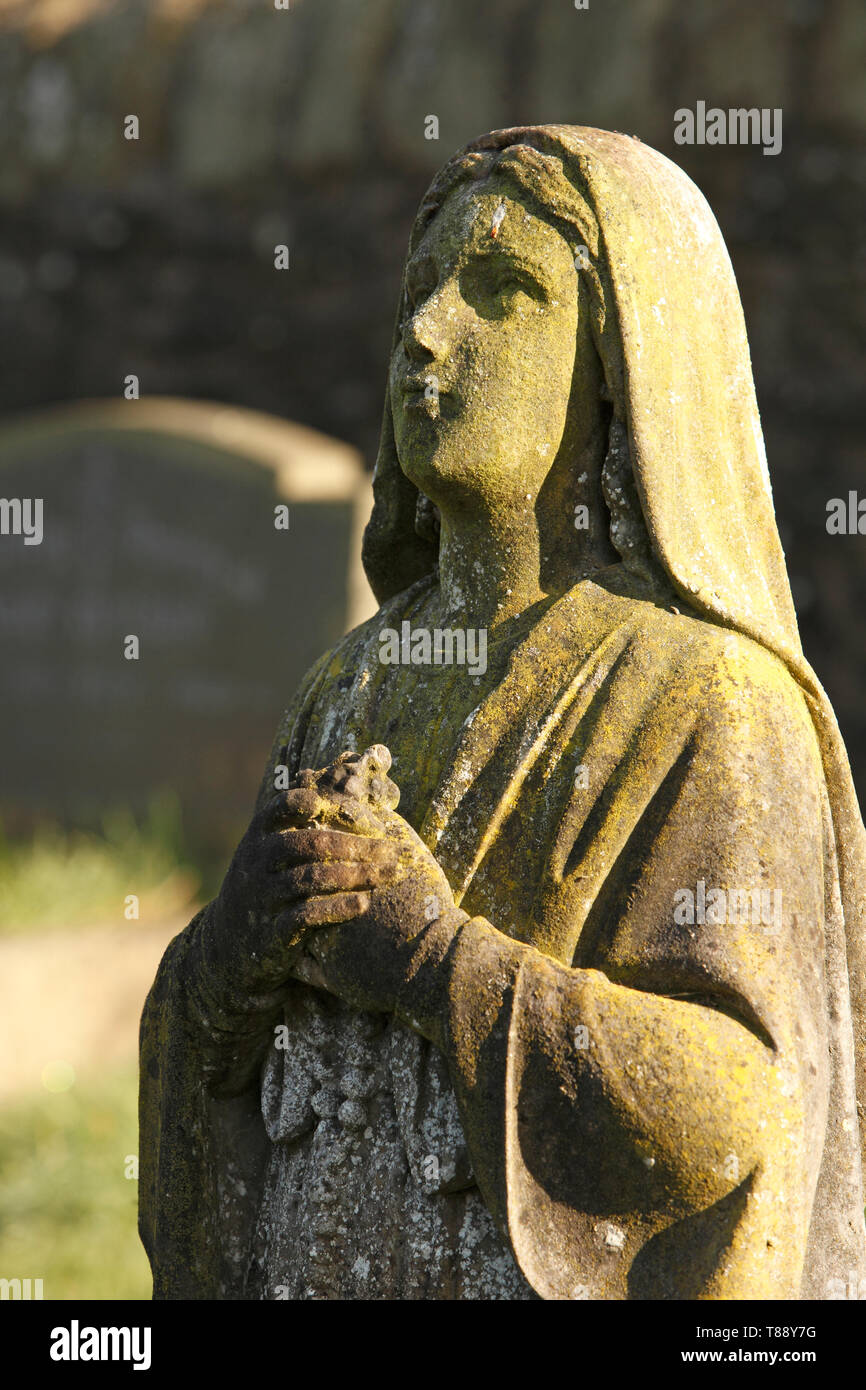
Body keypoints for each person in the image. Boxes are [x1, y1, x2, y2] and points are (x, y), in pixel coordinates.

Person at [140, 126, 866, 1300]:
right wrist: (231, 952)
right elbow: (222, 1049)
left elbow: (739, 1109)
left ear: (622, 353)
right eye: (420, 293)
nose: (427, 332)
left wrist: (435, 962)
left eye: (501, 293)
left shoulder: (707, 700)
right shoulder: (349, 684)